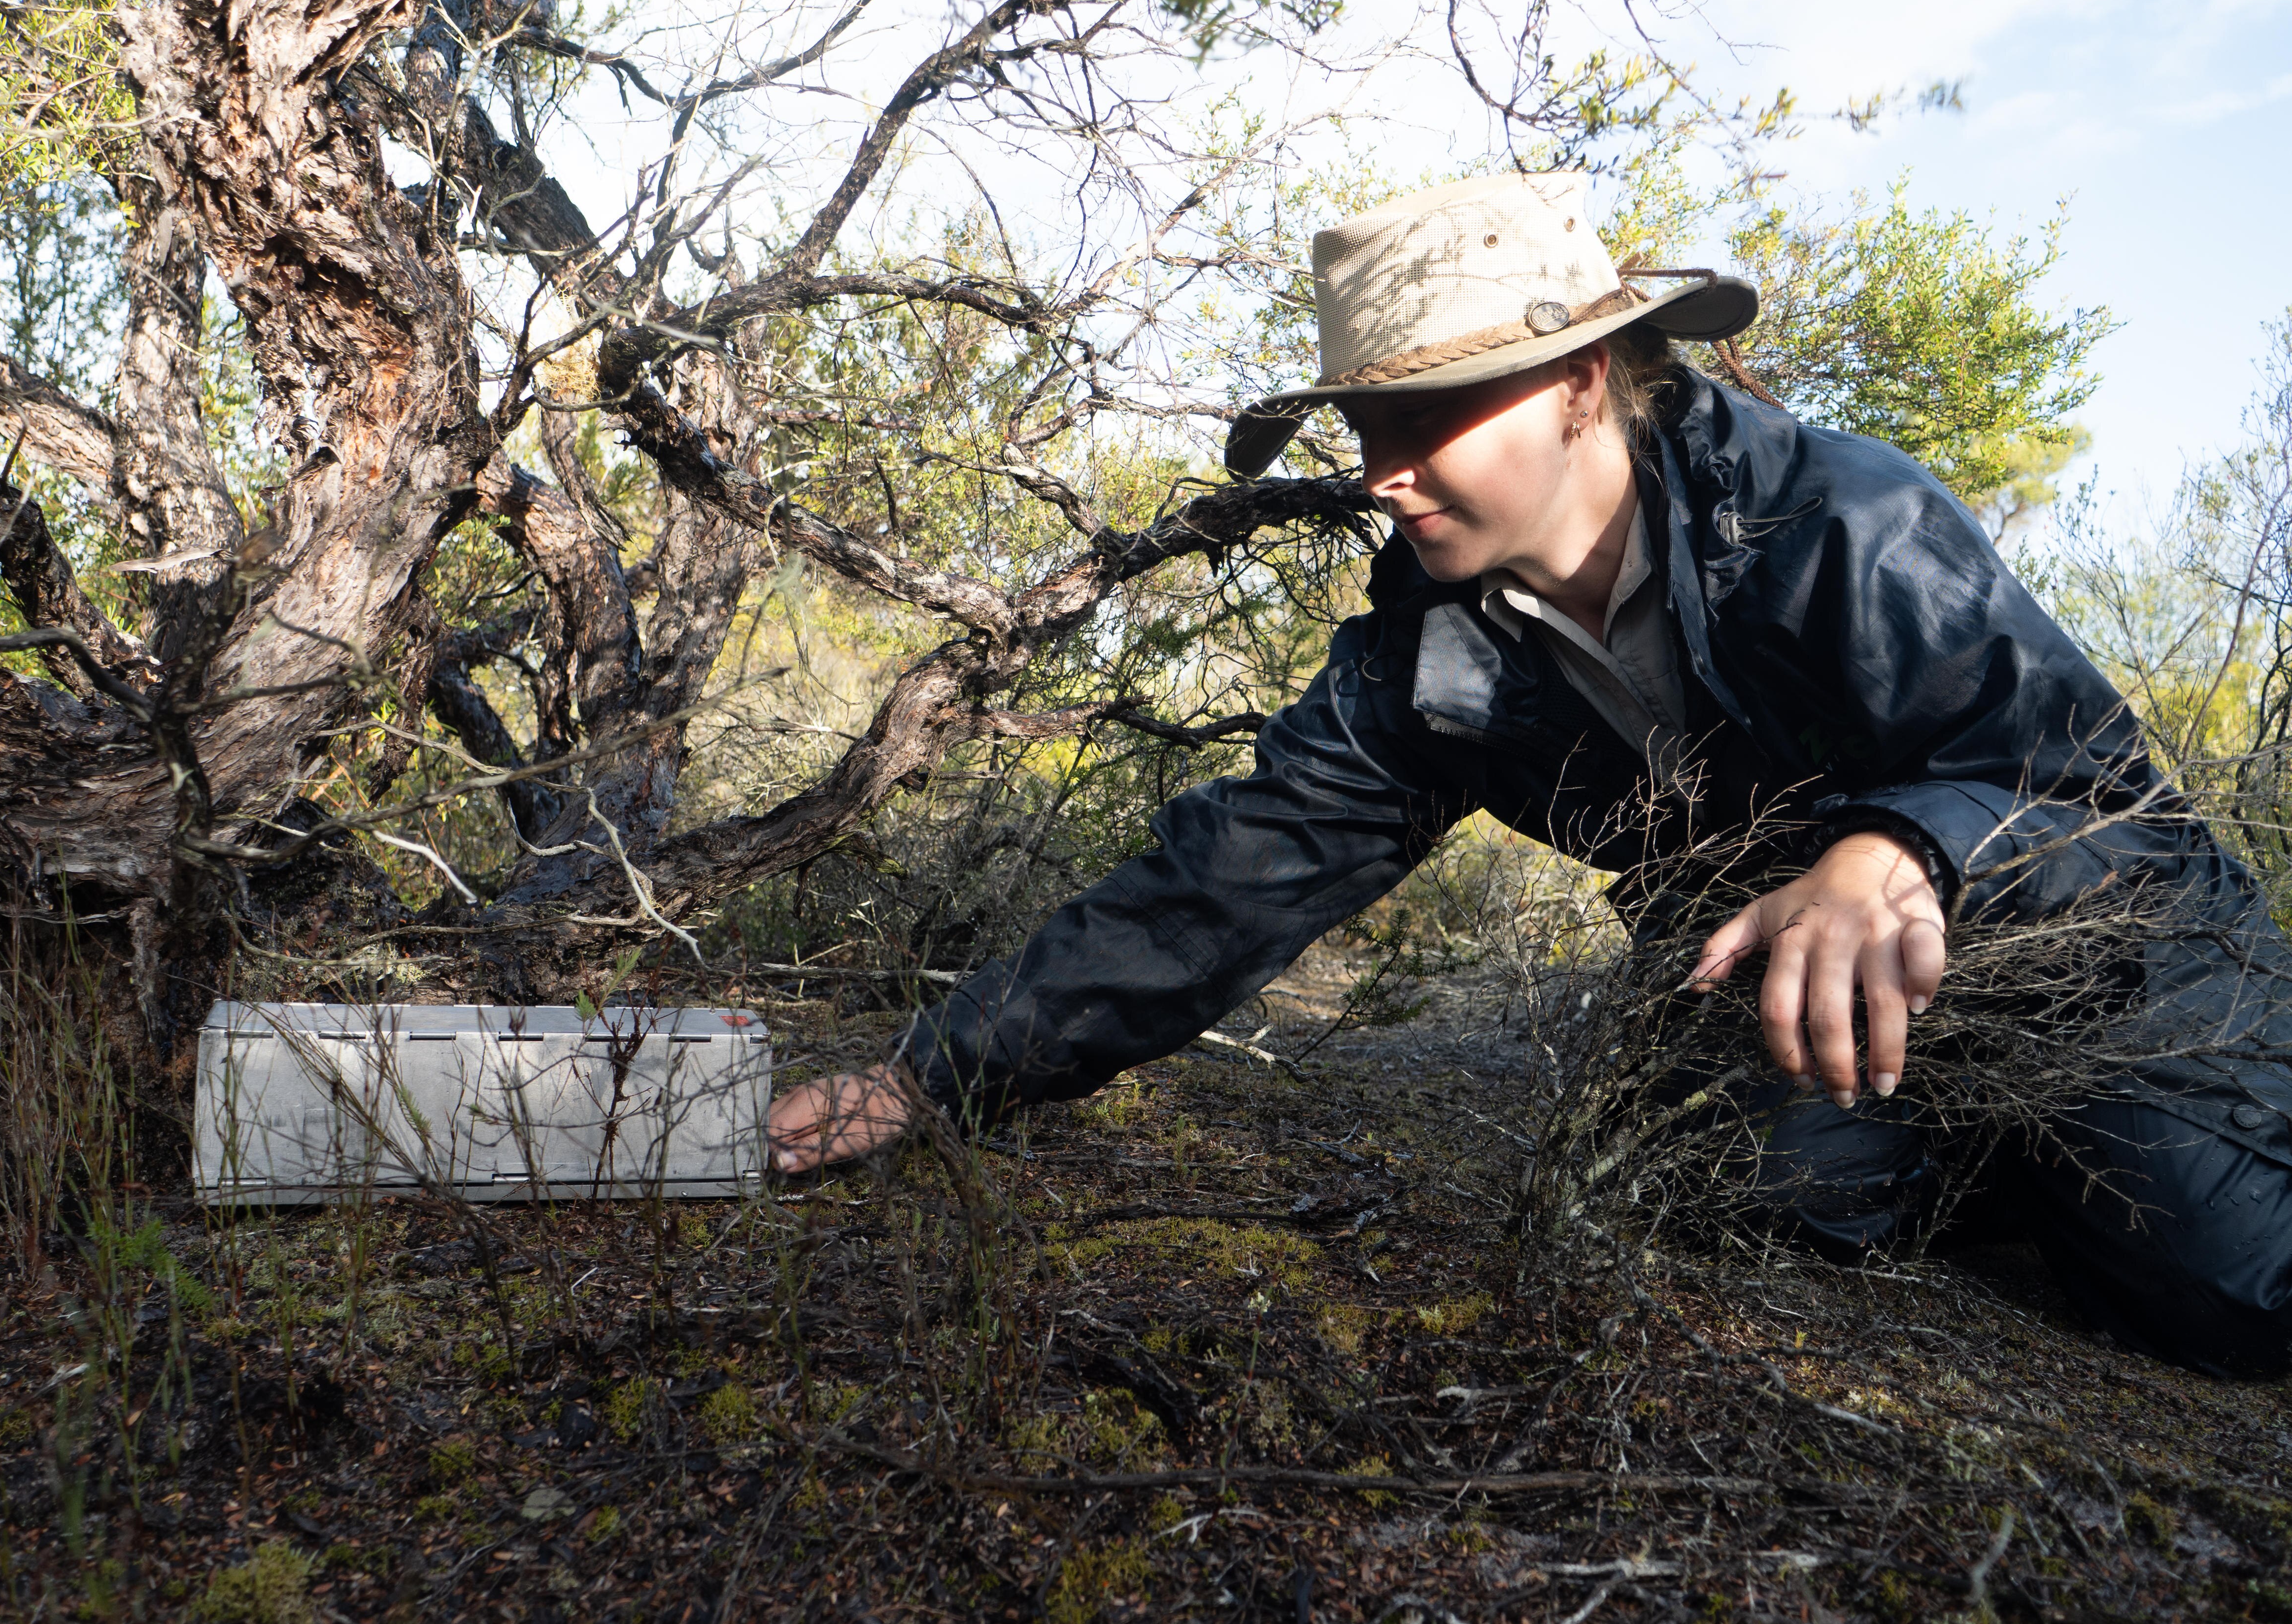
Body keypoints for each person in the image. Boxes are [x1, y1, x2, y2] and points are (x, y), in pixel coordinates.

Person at [768, 173, 2292, 1376]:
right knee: (1739, 1198)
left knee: (2233, 1292)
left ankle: (2086, 1157)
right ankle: (1967, 1164)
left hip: (2113, 965)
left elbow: (2104, 802)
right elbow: (1225, 881)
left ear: (1580, 384)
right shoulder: (1426, 656)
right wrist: (932, 1075)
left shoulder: (1838, 521)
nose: (1380, 469)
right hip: (1824, 1016)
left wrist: (1898, 849)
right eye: (1368, 423)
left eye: (1429, 415)